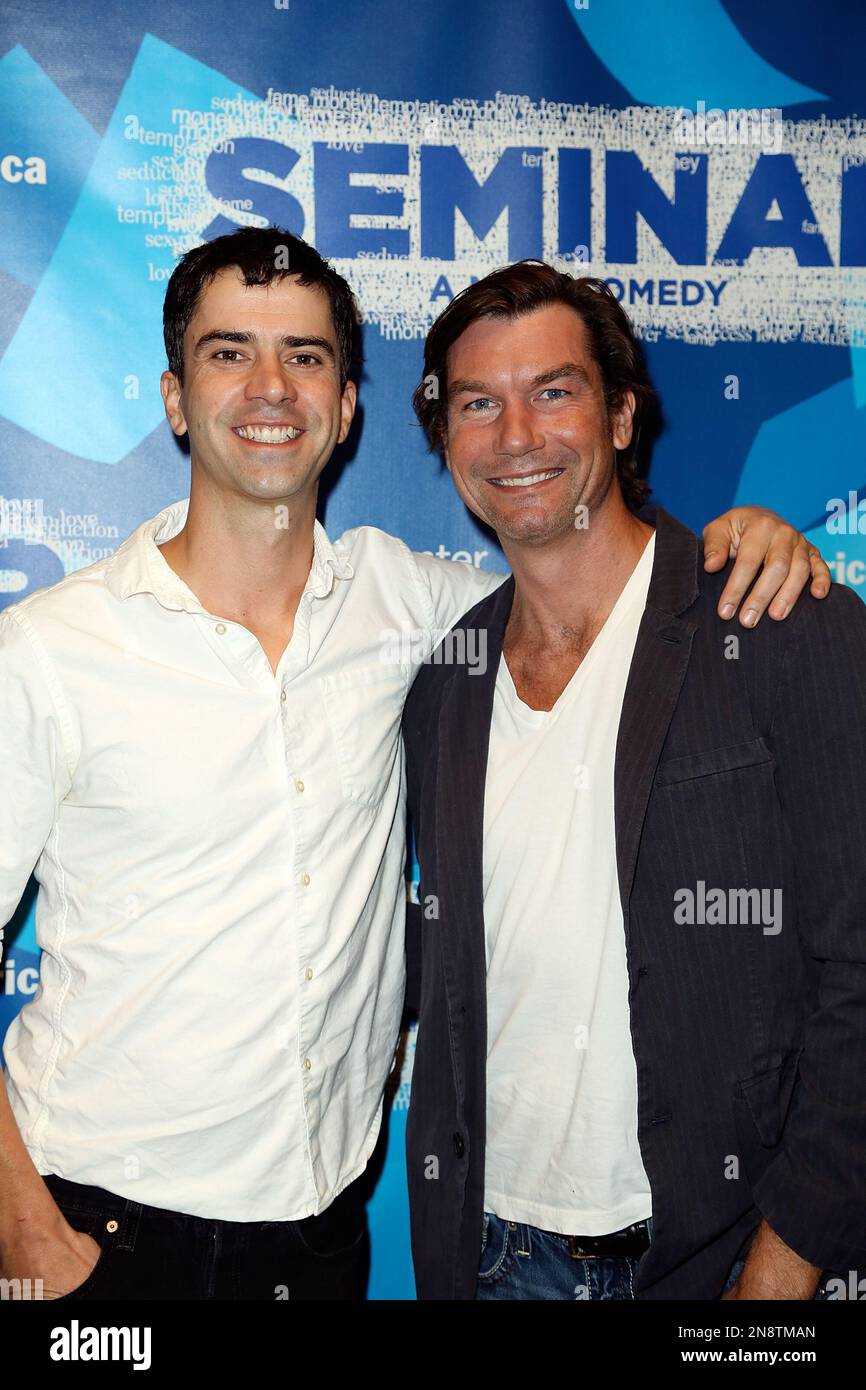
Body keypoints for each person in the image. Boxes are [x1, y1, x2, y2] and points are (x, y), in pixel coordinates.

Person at [0, 229, 829, 1302]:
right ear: (172, 396)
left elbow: (592, 583)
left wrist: (749, 538)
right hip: (97, 1227)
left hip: (325, 1231)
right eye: (227, 353)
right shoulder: (52, 650)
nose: (268, 387)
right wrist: (30, 1242)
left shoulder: (417, 612)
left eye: (304, 358)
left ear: (346, 406)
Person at [402, 260, 866, 1301]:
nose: (514, 436)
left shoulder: (773, 623)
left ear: (618, 417)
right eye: (477, 403)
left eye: (552, 392)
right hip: (486, 1255)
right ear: (445, 440)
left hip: (718, 1259)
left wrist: (778, 1271)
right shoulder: (444, 683)